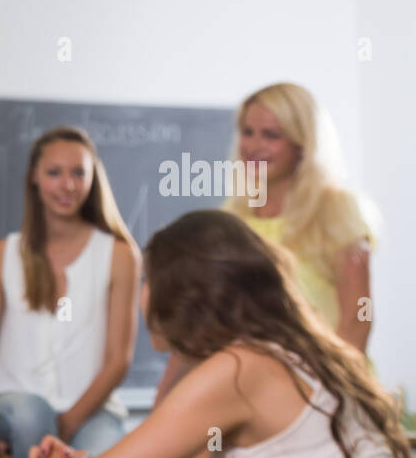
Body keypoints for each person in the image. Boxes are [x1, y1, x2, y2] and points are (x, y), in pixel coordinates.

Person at [28, 211, 416, 458]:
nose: (142, 293)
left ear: (181, 294)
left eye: (149, 279)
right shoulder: (293, 358)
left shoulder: (238, 371)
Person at [156, 82, 376, 398]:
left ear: (302, 143)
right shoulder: (231, 218)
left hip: (328, 390)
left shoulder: (338, 211)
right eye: (248, 132)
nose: (254, 146)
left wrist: (329, 395)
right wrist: (165, 397)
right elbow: (203, 320)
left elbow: (359, 318)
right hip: (253, 395)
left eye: (271, 135)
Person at [0, 126, 140, 458]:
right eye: (54, 173)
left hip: (92, 411)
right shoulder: (3, 255)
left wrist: (67, 423)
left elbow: (119, 359)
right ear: (34, 178)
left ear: (93, 179)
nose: (67, 185)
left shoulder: (120, 256)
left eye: (78, 173)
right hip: (13, 406)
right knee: (31, 413)